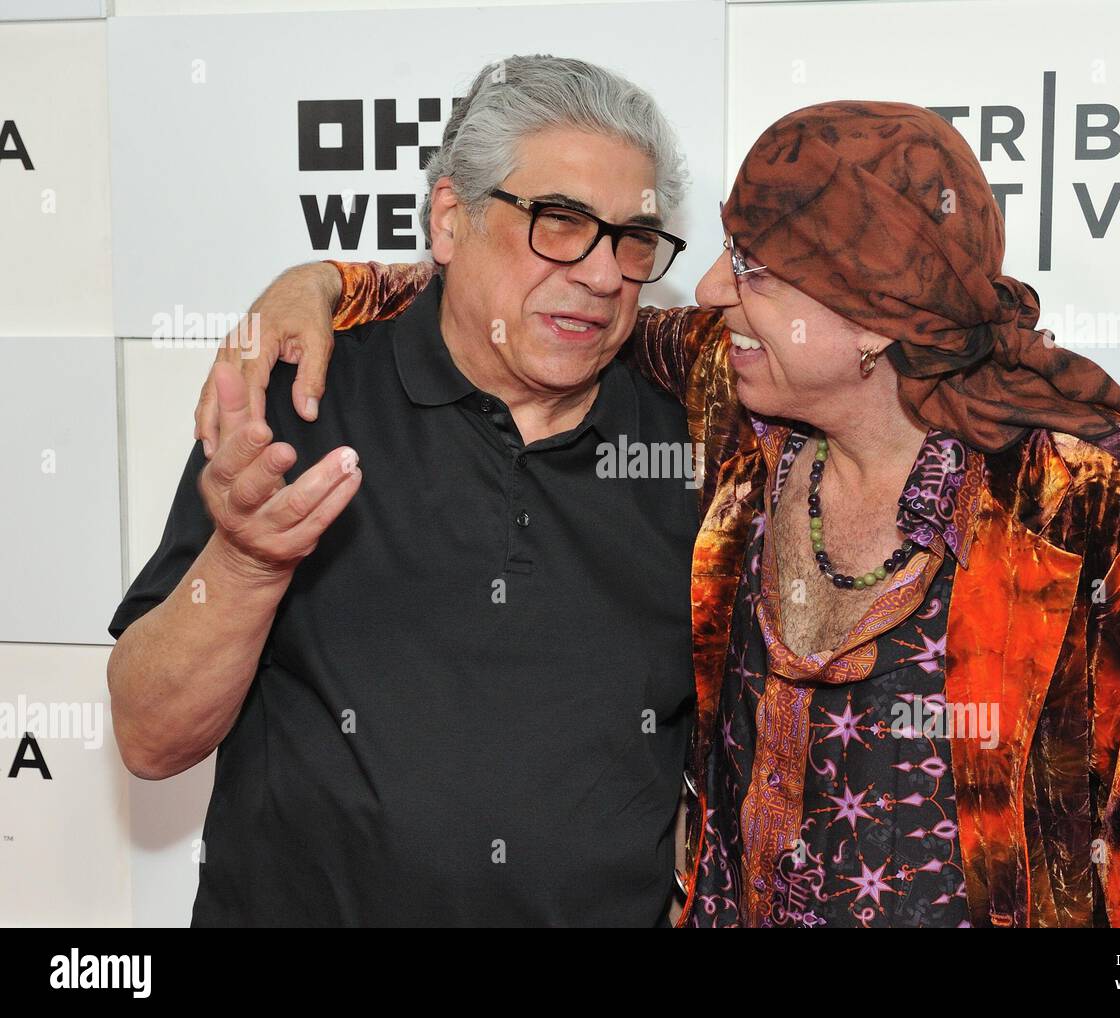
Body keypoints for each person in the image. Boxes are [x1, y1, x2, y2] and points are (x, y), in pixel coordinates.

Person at [198, 101, 1120, 928]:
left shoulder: (1088, 502)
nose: (704, 287)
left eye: (751, 264)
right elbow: (484, 290)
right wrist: (317, 283)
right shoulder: (729, 396)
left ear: (875, 314)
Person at [108, 55, 702, 926]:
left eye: (633, 238)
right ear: (451, 221)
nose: (604, 274)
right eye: (561, 222)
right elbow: (150, 737)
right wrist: (244, 561)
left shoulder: (699, 450)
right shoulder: (302, 398)